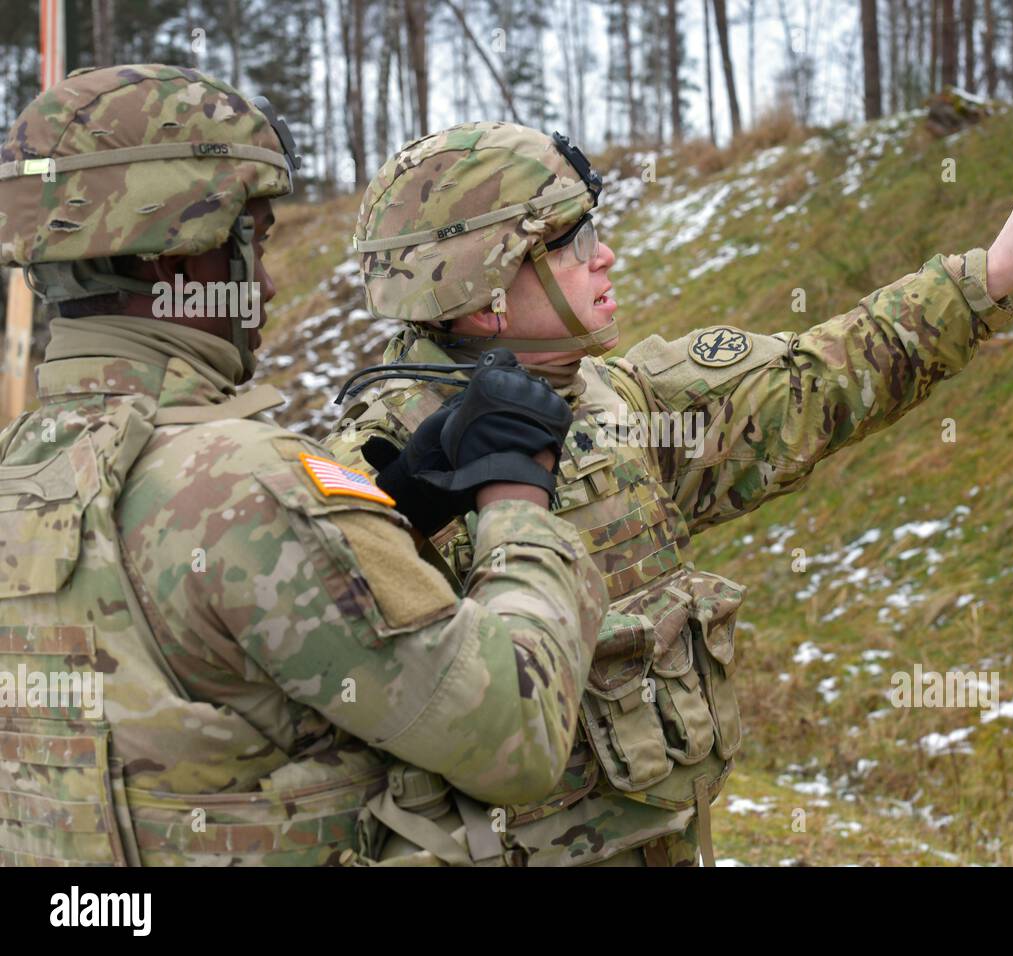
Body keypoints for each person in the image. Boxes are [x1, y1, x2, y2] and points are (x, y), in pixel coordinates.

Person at [327, 121, 1013, 866]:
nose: (607, 257)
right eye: (573, 245)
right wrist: (403, 515)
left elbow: (813, 383)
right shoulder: (378, 473)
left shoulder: (617, 401)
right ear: (483, 290)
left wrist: (987, 277)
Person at [0, 68, 606, 867]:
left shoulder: (25, 468)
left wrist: (391, 516)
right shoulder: (246, 482)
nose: (271, 281)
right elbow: (517, 737)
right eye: (254, 238)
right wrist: (517, 494)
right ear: (177, 263)